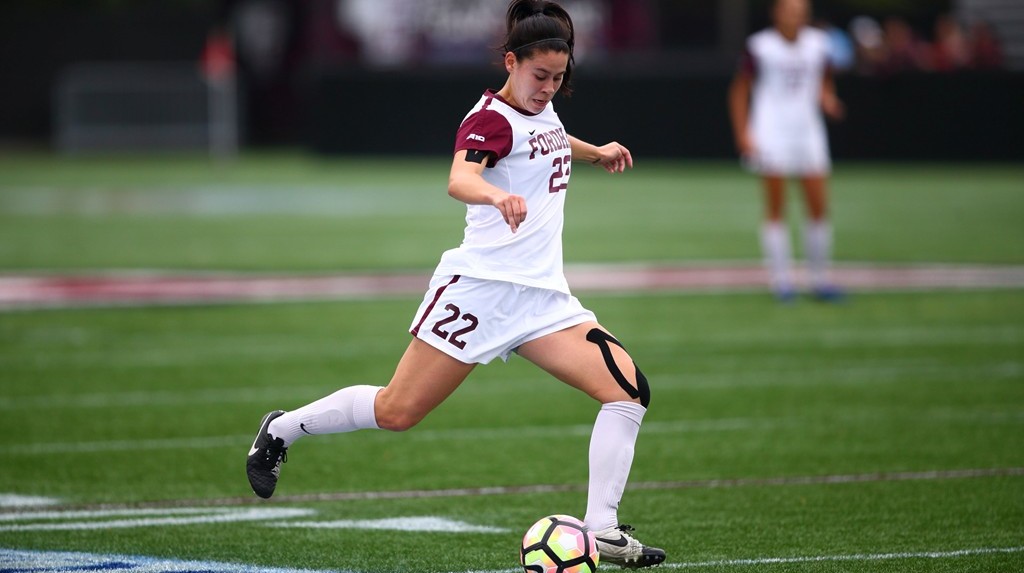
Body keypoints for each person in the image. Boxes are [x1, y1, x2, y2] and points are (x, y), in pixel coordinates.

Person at [246, 0, 667, 568]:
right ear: (511, 62)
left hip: (543, 300)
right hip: (480, 290)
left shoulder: (540, 109)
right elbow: (459, 177)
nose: (548, 88)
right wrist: (496, 195)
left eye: (558, 77)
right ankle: (283, 428)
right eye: (540, 75)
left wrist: (595, 152)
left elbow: (547, 138)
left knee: (628, 391)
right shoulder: (488, 119)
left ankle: (603, 529)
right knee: (398, 411)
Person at [728, 0, 846, 302]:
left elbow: (823, 81)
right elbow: (739, 90)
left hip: (808, 131)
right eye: (789, 10)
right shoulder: (760, 46)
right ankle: (781, 281)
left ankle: (819, 279)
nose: (795, 17)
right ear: (777, 13)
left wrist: (828, 99)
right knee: (776, 207)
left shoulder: (819, 44)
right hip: (772, 131)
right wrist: (743, 133)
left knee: (818, 207)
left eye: (800, 12)